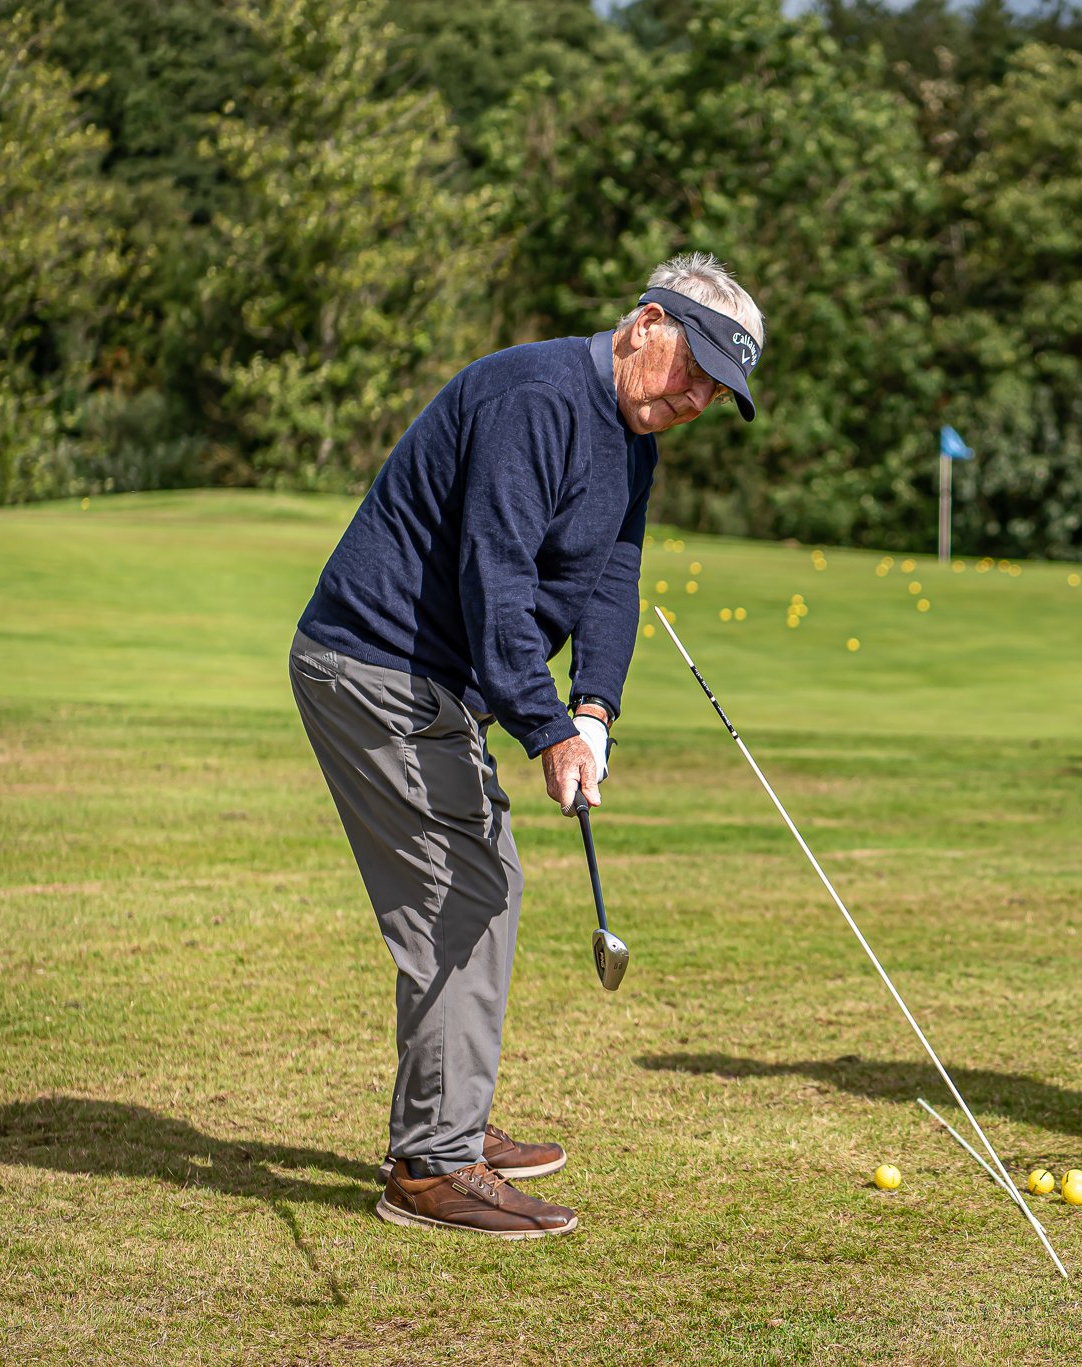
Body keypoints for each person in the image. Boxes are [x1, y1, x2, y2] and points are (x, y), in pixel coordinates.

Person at [288, 253, 765, 1238]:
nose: (696, 397)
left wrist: (593, 707)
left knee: (479, 882)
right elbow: (493, 579)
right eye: (693, 368)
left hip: (432, 681)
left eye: (716, 389)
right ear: (644, 322)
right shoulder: (536, 398)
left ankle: (444, 1121)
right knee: (463, 889)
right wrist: (543, 726)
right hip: (376, 667)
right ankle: (432, 1164)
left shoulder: (629, 442)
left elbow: (611, 576)